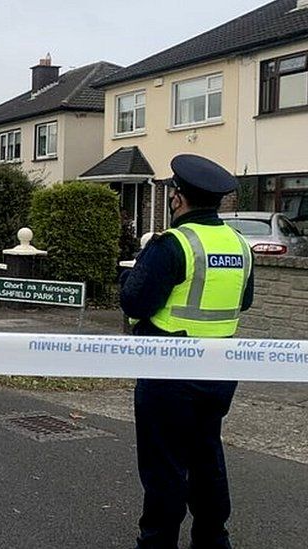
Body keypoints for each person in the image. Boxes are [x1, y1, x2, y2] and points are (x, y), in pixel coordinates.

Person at [120, 154, 254, 549]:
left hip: (169, 370)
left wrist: (129, 275)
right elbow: (243, 301)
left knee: (164, 464)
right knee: (206, 455)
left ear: (178, 198)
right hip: (220, 370)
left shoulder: (174, 243)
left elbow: (134, 303)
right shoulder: (239, 244)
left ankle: (158, 541)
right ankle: (213, 539)